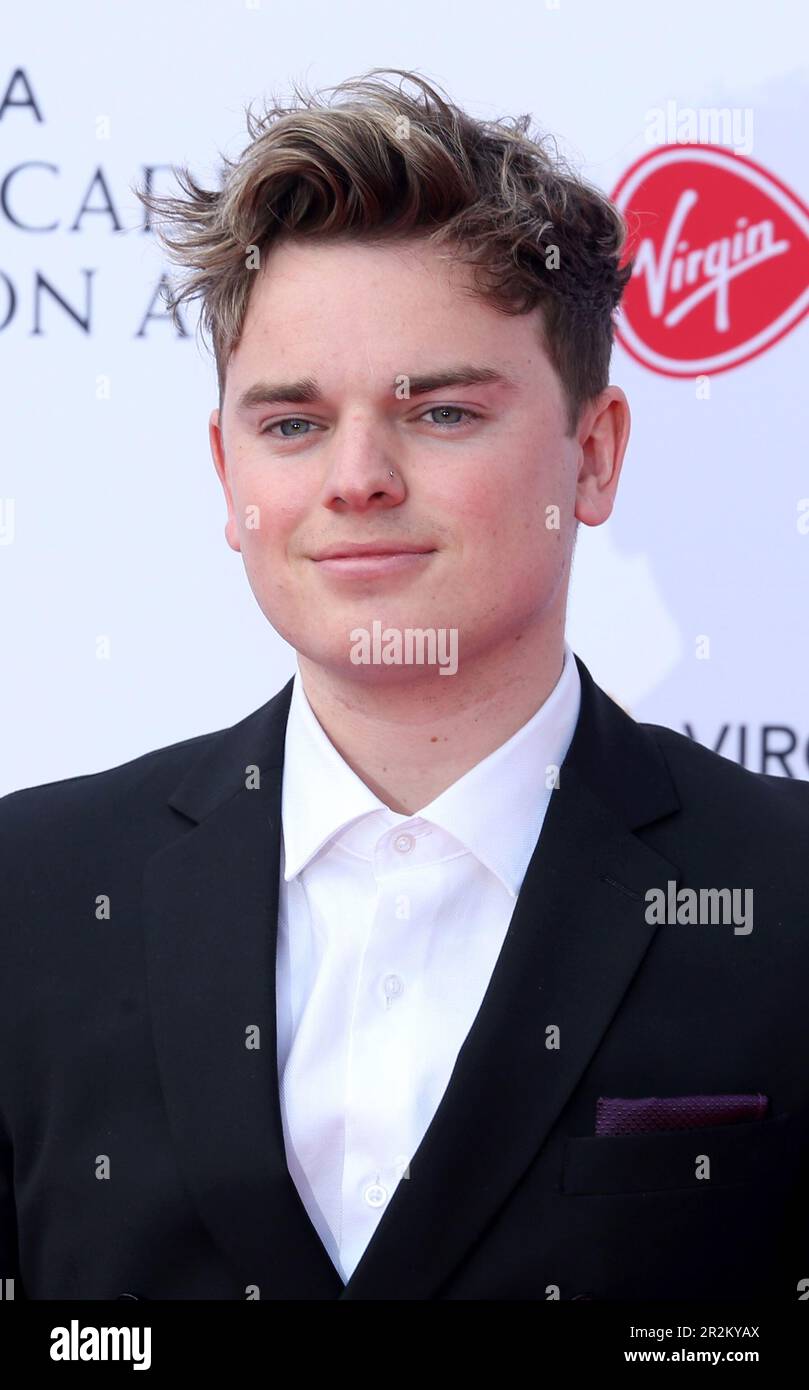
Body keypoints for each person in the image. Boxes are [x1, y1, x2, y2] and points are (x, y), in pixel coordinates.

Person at [1, 68, 806, 1302]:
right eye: (291, 424)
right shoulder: (32, 895)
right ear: (227, 474)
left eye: (436, 413)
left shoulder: (784, 893)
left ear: (589, 457)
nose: (357, 477)